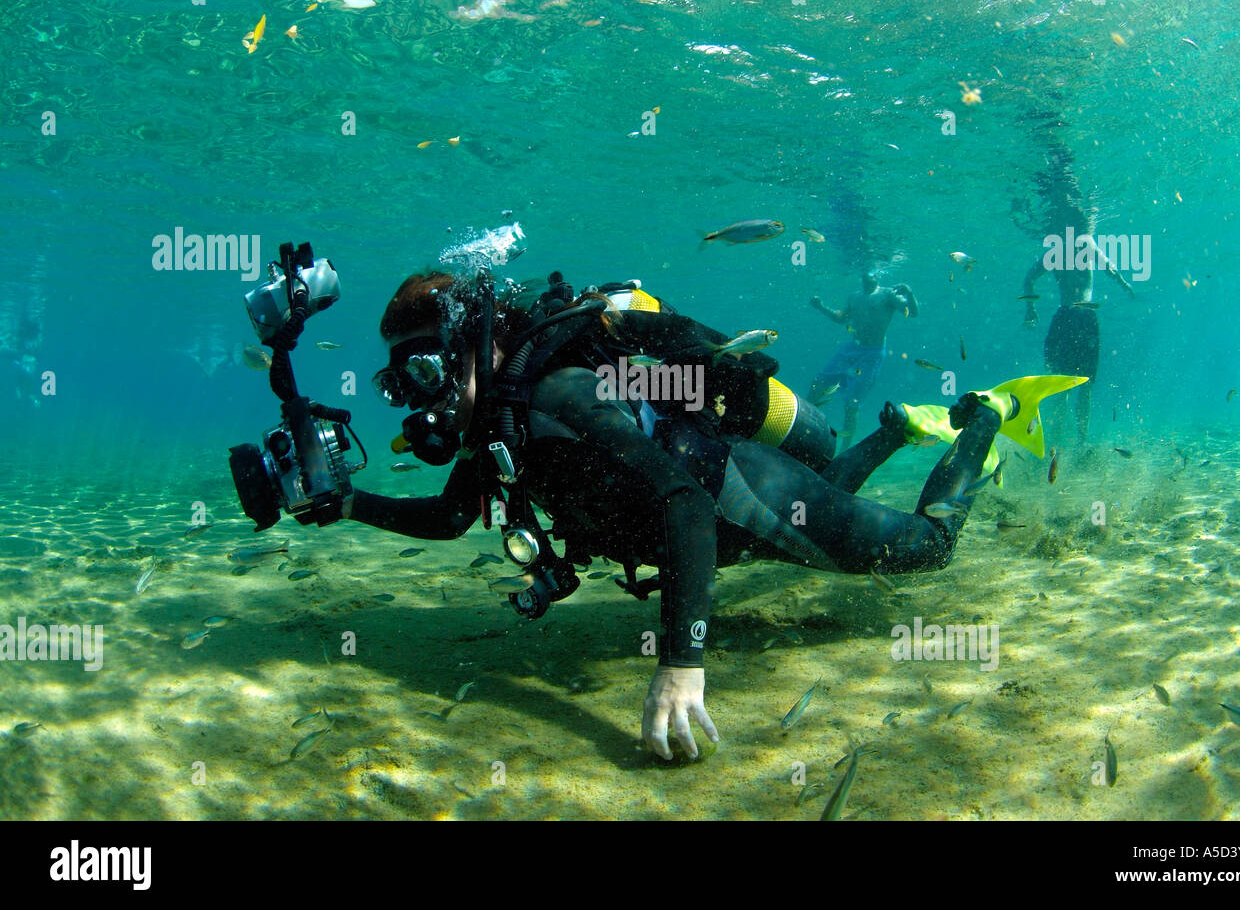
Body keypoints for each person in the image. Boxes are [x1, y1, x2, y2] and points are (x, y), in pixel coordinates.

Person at [341, 266, 1070, 760]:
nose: (418, 401)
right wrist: (343, 500)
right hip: (730, 523)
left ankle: (985, 414)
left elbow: (682, 500)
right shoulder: (497, 433)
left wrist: (680, 665)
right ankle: (893, 430)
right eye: (397, 384)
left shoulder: (557, 394)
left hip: (737, 495)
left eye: (426, 372)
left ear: (476, 345)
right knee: (829, 511)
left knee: (925, 548)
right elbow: (448, 519)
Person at [1018, 137, 1135, 443]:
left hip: (1065, 317)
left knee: (1066, 384)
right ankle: (1076, 439)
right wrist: (1125, 286)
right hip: (1082, 317)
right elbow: (1111, 269)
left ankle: (1063, 439)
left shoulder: (1058, 248)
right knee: (1081, 384)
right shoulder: (1083, 241)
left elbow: (1029, 279)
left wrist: (1030, 308)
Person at [808, 264, 918, 449]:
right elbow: (841, 318)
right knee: (818, 384)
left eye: (873, 273)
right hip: (851, 348)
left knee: (852, 403)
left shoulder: (888, 295)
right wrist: (821, 307)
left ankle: (844, 450)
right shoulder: (855, 296)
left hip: (872, 353)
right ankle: (803, 428)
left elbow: (913, 313)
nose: (868, 276)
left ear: (878, 275)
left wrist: (910, 293)